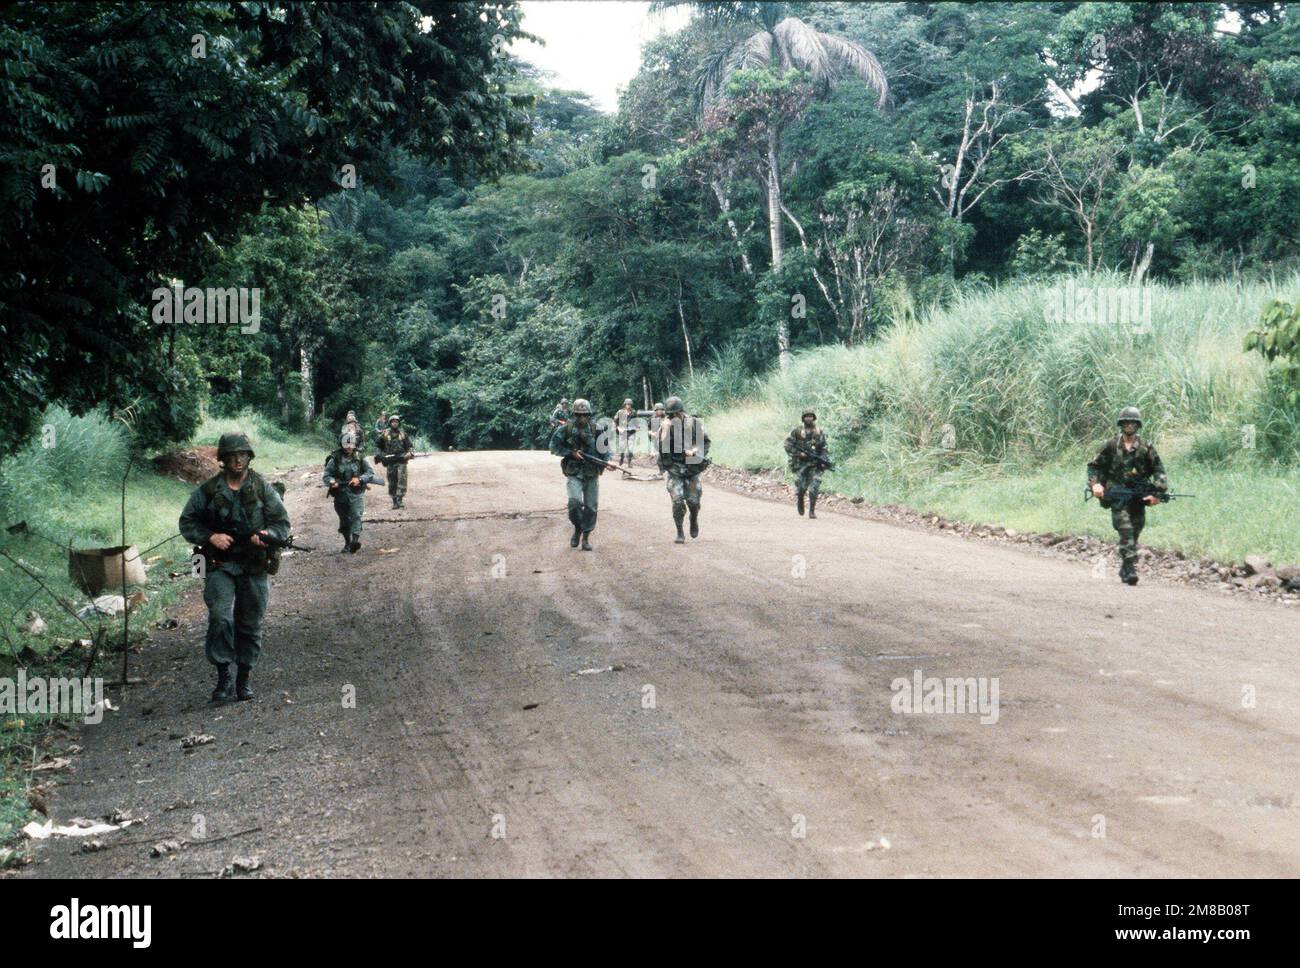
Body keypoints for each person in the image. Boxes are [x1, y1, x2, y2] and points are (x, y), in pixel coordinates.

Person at [179, 432, 290, 702]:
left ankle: (243, 677)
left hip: (254, 563)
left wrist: (264, 535)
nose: (237, 460)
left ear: (249, 457)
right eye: (231, 456)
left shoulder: (262, 487)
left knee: (249, 623)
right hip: (219, 563)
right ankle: (223, 676)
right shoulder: (209, 490)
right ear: (223, 459)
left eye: (242, 455)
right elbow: (187, 522)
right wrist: (210, 536)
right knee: (220, 617)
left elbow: (282, 525)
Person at [1087, 406, 1169, 586]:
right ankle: (1131, 568)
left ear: (1138, 425)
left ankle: (1125, 565)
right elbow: (1094, 466)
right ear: (1121, 424)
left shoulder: (1146, 447)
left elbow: (1159, 471)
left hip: (1138, 497)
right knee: (1125, 528)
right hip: (1117, 494)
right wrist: (1096, 484)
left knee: (1136, 529)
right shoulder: (1110, 445)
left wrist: (1158, 493)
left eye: (1132, 422)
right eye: (1125, 422)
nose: (1129, 426)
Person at [549, 398, 610, 550]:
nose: (582, 418)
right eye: (578, 415)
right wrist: (570, 453)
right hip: (574, 472)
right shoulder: (566, 429)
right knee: (574, 503)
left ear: (589, 415)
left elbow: (606, 451)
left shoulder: (597, 429)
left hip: (591, 473)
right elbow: (554, 447)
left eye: (584, 415)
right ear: (574, 415)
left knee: (591, 507)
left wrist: (607, 463)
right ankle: (577, 528)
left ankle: (586, 537)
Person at [657, 396, 710, 544]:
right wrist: (666, 431)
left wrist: (695, 451)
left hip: (691, 468)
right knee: (677, 501)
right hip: (674, 468)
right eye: (671, 415)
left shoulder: (693, 424)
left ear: (681, 412)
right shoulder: (666, 426)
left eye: (676, 414)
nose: (674, 417)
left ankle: (693, 518)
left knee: (693, 501)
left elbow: (705, 442)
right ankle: (680, 531)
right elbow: (662, 450)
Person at [323, 433, 377, 553]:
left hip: (355, 493)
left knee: (356, 516)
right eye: (346, 444)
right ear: (341, 445)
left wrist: (360, 479)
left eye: (351, 444)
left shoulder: (360, 457)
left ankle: (354, 542)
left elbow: (370, 473)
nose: (349, 447)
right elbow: (326, 476)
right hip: (340, 494)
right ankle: (347, 542)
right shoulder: (334, 458)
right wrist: (332, 482)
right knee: (344, 520)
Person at [784, 408, 830, 518]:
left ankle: (812, 511)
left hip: (815, 464)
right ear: (803, 418)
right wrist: (799, 454)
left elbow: (824, 447)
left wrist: (824, 460)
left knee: (815, 486)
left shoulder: (819, 431)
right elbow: (787, 445)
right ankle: (800, 499)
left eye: (810, 416)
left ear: (813, 418)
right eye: (806, 416)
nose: (808, 418)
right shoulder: (797, 431)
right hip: (800, 464)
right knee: (801, 487)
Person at [376, 415, 414, 509]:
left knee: (402, 479)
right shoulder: (385, 434)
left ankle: (399, 499)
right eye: (393, 422)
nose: (395, 423)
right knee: (392, 481)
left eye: (396, 422)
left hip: (402, 459)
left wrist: (409, 453)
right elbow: (378, 445)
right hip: (390, 460)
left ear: (399, 423)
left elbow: (410, 446)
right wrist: (379, 455)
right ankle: (394, 501)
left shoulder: (403, 433)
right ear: (390, 423)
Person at [614, 398, 636, 467]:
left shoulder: (634, 412)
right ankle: (622, 458)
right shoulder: (620, 412)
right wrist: (618, 428)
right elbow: (615, 421)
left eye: (630, 404)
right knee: (622, 448)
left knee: (631, 448)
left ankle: (629, 462)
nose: (628, 406)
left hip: (631, 432)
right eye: (627, 404)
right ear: (625, 405)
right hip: (623, 432)